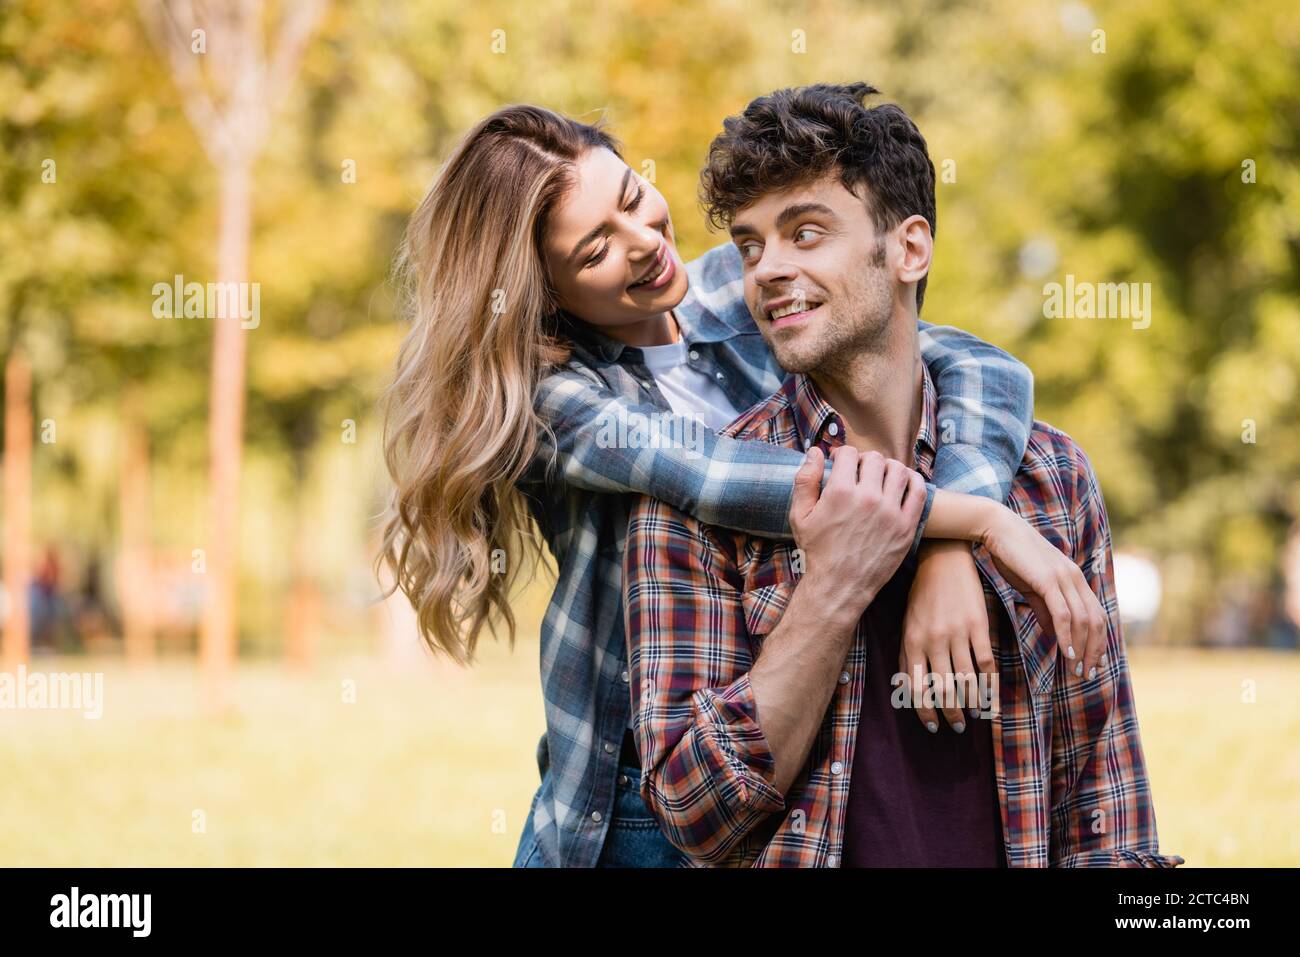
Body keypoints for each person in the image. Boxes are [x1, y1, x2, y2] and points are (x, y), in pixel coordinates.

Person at [379, 102, 1096, 867]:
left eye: (630, 199)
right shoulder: (558, 401)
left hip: (788, 748)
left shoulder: (739, 282)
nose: (646, 241)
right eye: (595, 251)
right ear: (547, 292)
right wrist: (981, 522)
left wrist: (951, 545)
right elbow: (726, 478)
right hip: (636, 803)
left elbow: (977, 364)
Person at [623, 82, 1182, 867]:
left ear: (909, 249)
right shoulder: (692, 505)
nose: (767, 270)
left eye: (805, 232)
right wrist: (835, 587)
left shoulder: (1051, 479)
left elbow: (1103, 801)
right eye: (751, 246)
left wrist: (943, 539)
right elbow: (695, 813)